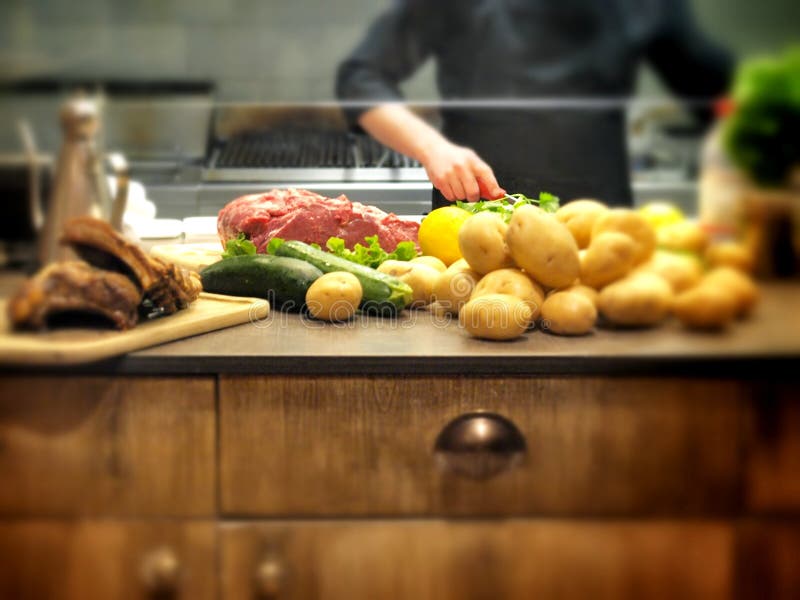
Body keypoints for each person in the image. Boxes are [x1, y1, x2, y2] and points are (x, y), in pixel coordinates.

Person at [336, 0, 733, 209]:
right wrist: (432, 147)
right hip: (474, 225)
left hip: (597, 231)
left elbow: (715, 88)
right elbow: (361, 78)